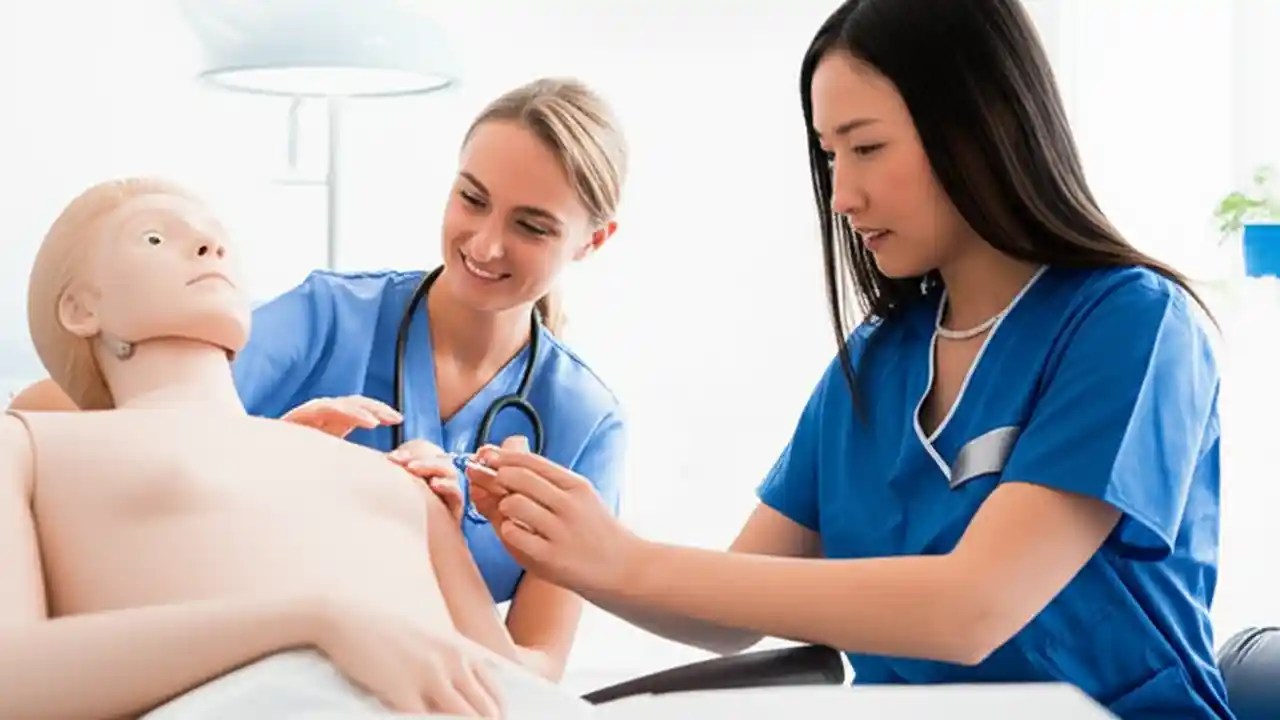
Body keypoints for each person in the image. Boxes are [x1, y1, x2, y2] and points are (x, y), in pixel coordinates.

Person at [451, 1, 1235, 718]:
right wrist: (567, 544)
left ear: (978, 124)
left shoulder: (1132, 325)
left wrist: (625, 559)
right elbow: (727, 619)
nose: (841, 195)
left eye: (866, 148)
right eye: (831, 156)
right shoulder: (879, 359)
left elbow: (972, 609)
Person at [8, 76, 630, 681]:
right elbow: (90, 402)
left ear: (593, 241)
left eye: (532, 226)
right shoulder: (330, 318)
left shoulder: (583, 420)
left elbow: (531, 671)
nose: (486, 243)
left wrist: (425, 559)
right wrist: (271, 453)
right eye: (472, 198)